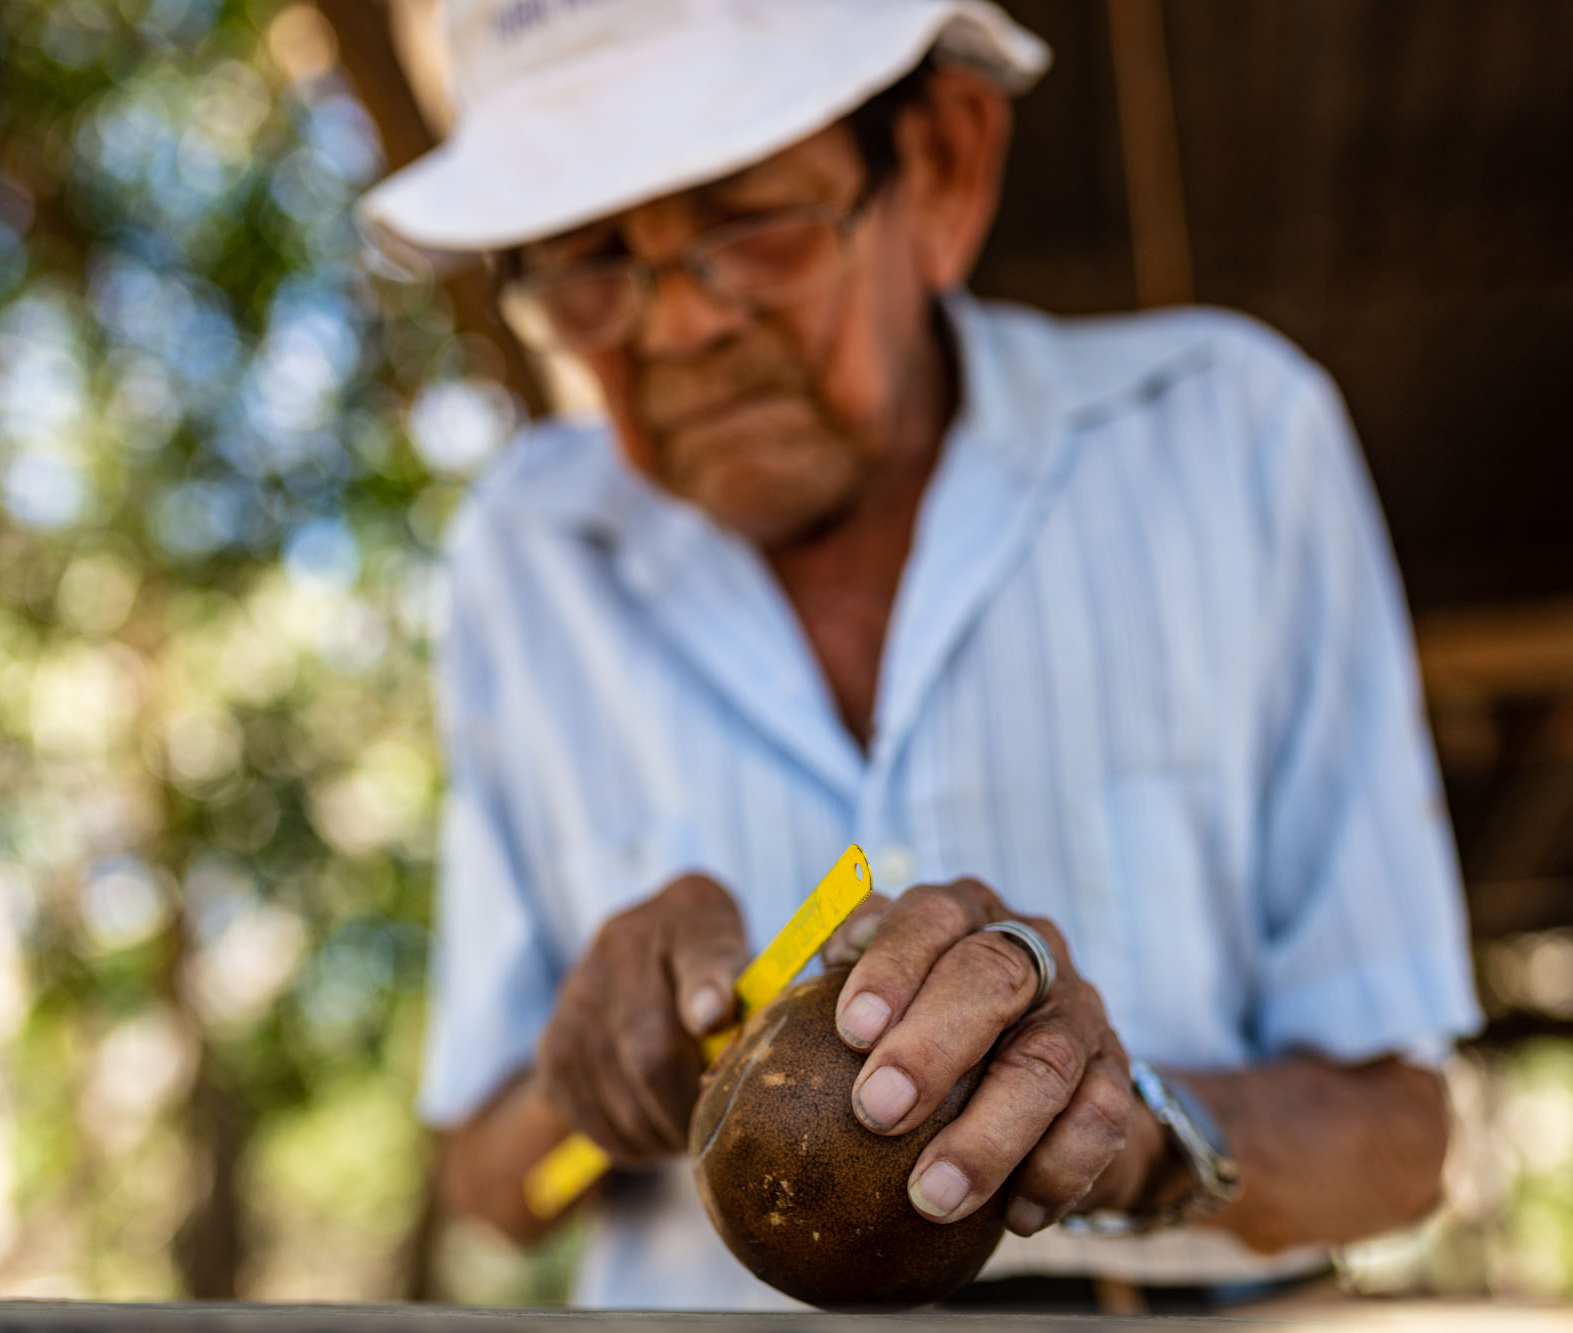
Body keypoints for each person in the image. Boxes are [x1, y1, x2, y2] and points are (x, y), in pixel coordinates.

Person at [358, 0, 1481, 1312]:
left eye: (750, 221)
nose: (675, 326)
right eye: (590, 261)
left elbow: (1404, 1137)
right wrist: (589, 1081)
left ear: (944, 164)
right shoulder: (526, 554)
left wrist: (1122, 1134)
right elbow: (489, 1182)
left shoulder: (1234, 441)